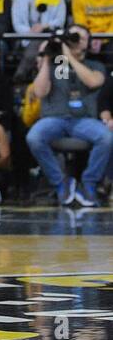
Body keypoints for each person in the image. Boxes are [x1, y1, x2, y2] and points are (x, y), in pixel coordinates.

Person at [25, 25, 111, 206]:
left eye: (79, 38)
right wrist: (48, 58)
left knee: (107, 137)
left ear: (87, 42)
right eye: (71, 37)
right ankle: (61, 182)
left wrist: (68, 54)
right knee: (34, 137)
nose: (74, 41)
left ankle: (89, 182)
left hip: (84, 120)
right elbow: (40, 92)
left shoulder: (95, 65)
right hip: (55, 118)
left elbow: (92, 81)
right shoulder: (61, 66)